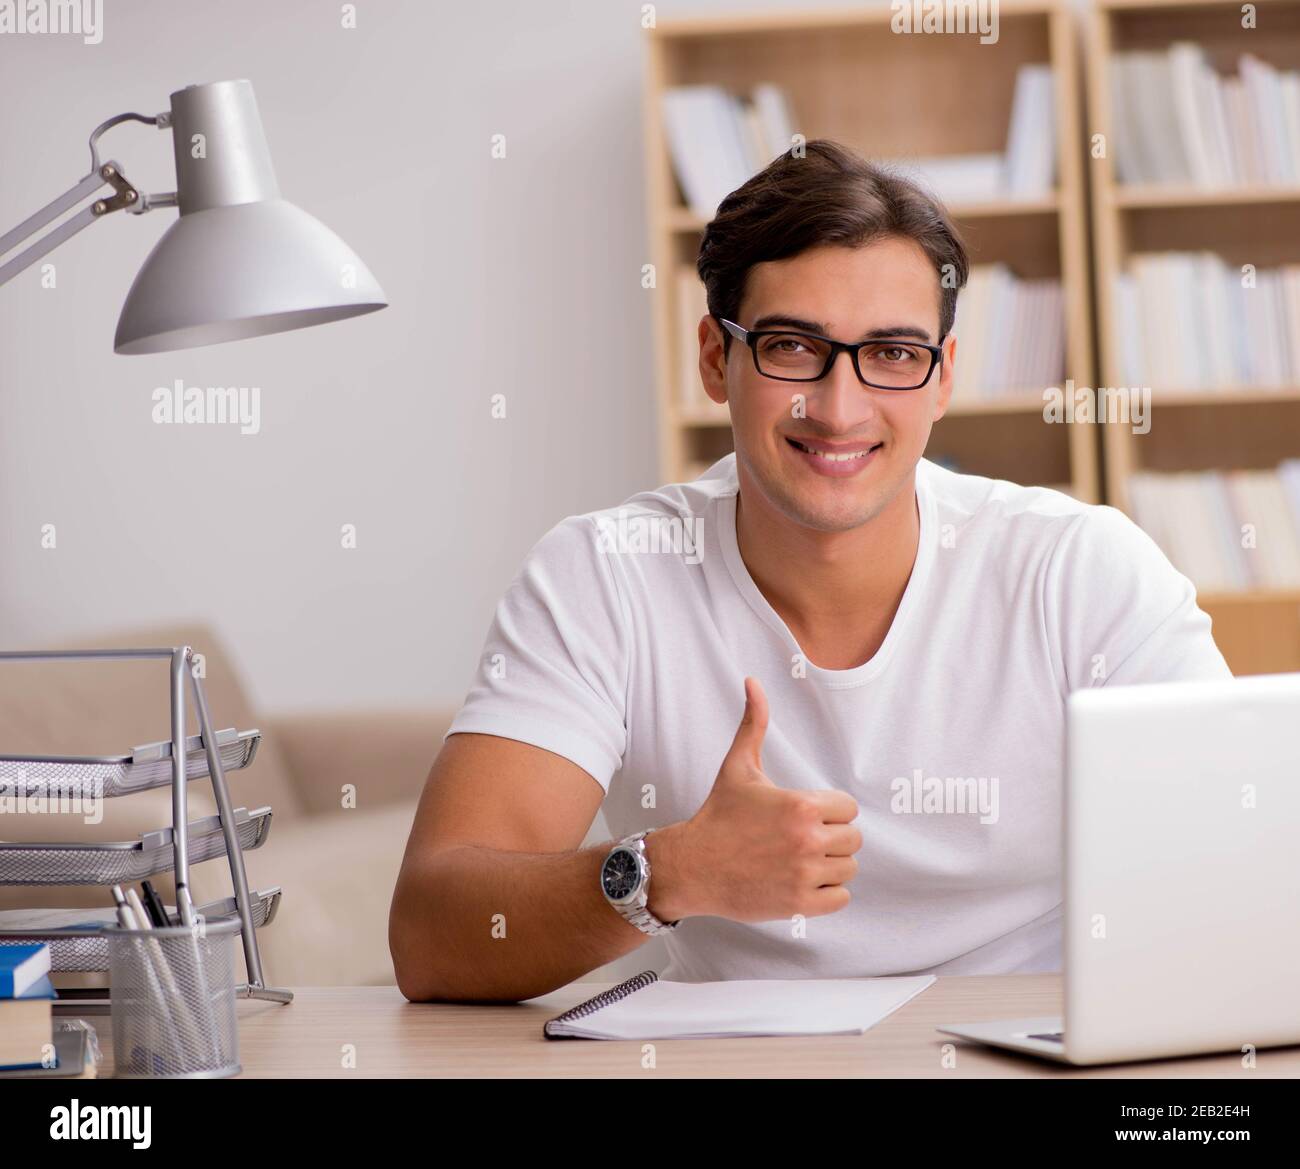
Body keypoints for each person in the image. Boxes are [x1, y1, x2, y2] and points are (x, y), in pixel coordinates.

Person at [389, 140, 1230, 1002]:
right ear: (718, 359)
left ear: (942, 378)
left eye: (894, 354)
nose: (839, 407)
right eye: (793, 346)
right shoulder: (606, 577)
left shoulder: (1080, 571)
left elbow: (1245, 851)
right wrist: (672, 871)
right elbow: (433, 932)